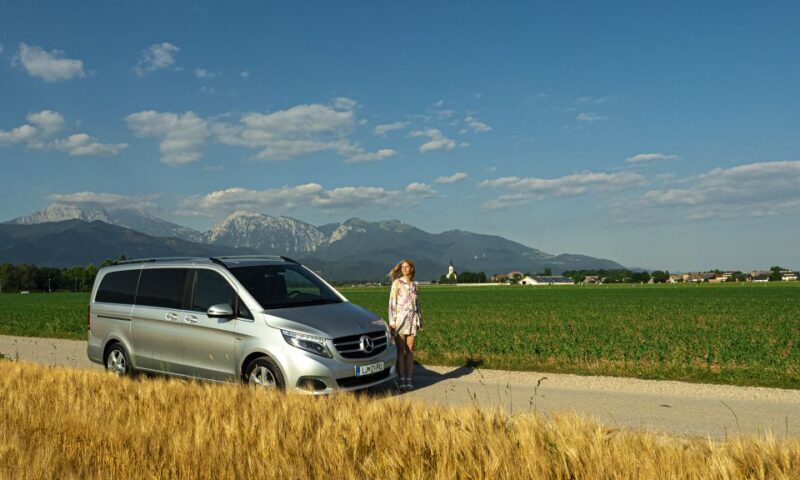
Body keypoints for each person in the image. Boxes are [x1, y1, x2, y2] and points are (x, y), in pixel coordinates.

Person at [388, 259, 423, 390]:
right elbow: (392, 303)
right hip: (400, 321)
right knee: (400, 350)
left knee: (410, 350)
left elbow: (417, 305)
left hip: (412, 320)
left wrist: (420, 320)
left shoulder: (415, 284)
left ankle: (409, 378)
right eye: (402, 267)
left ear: (412, 269)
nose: (404, 269)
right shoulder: (397, 283)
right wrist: (392, 321)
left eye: (407, 267)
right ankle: (401, 378)